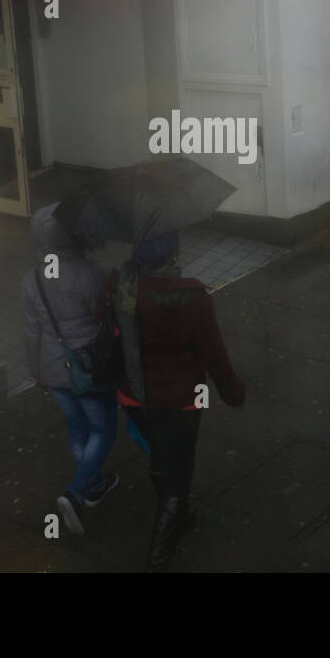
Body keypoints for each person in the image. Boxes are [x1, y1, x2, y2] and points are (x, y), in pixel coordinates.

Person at [112, 231, 245, 572]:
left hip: (133, 395)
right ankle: (159, 555)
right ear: (171, 257)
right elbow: (213, 354)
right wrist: (233, 392)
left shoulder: (121, 284)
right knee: (179, 473)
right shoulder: (192, 296)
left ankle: (180, 511)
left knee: (158, 453)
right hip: (181, 399)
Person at [21, 203, 118, 536]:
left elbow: (31, 330)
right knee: (103, 429)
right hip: (88, 367)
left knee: (77, 427)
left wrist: (35, 369)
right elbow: (104, 318)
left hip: (52, 367)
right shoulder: (92, 274)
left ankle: (94, 486)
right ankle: (76, 492)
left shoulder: (31, 278)